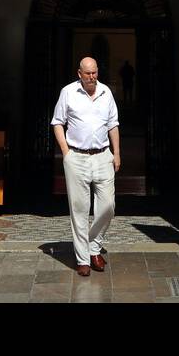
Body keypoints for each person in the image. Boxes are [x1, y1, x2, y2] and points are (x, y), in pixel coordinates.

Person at [51, 57, 120, 275]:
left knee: (108, 206)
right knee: (79, 210)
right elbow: (57, 122)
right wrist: (66, 152)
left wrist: (116, 153)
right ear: (79, 73)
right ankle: (84, 258)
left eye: (95, 73)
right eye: (88, 73)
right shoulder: (68, 92)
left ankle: (93, 246)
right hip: (77, 157)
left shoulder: (106, 92)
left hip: (102, 156)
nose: (92, 77)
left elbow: (113, 124)